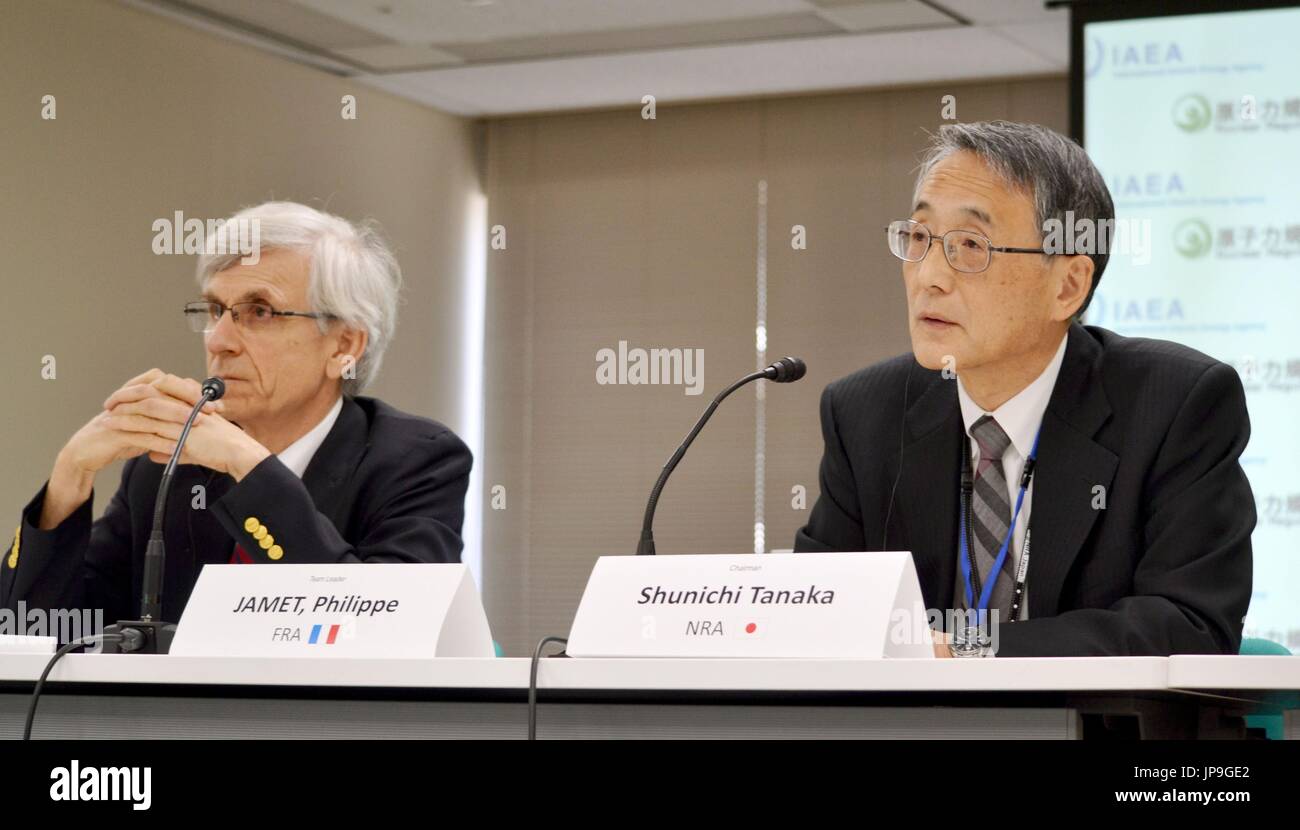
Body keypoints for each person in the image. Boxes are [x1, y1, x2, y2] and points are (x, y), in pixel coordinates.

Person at [795, 121, 1253, 657]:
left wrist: (971, 648)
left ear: (1067, 286)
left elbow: (1188, 626)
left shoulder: (1176, 404)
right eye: (919, 238)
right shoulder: (865, 414)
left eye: (970, 245)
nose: (928, 277)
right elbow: (822, 616)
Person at [3, 202, 472, 625]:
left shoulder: (417, 463)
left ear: (344, 346)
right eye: (214, 310)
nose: (218, 340)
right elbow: (35, 631)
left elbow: (382, 630)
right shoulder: (164, 475)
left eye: (260, 312)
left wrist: (249, 467)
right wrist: (69, 477)